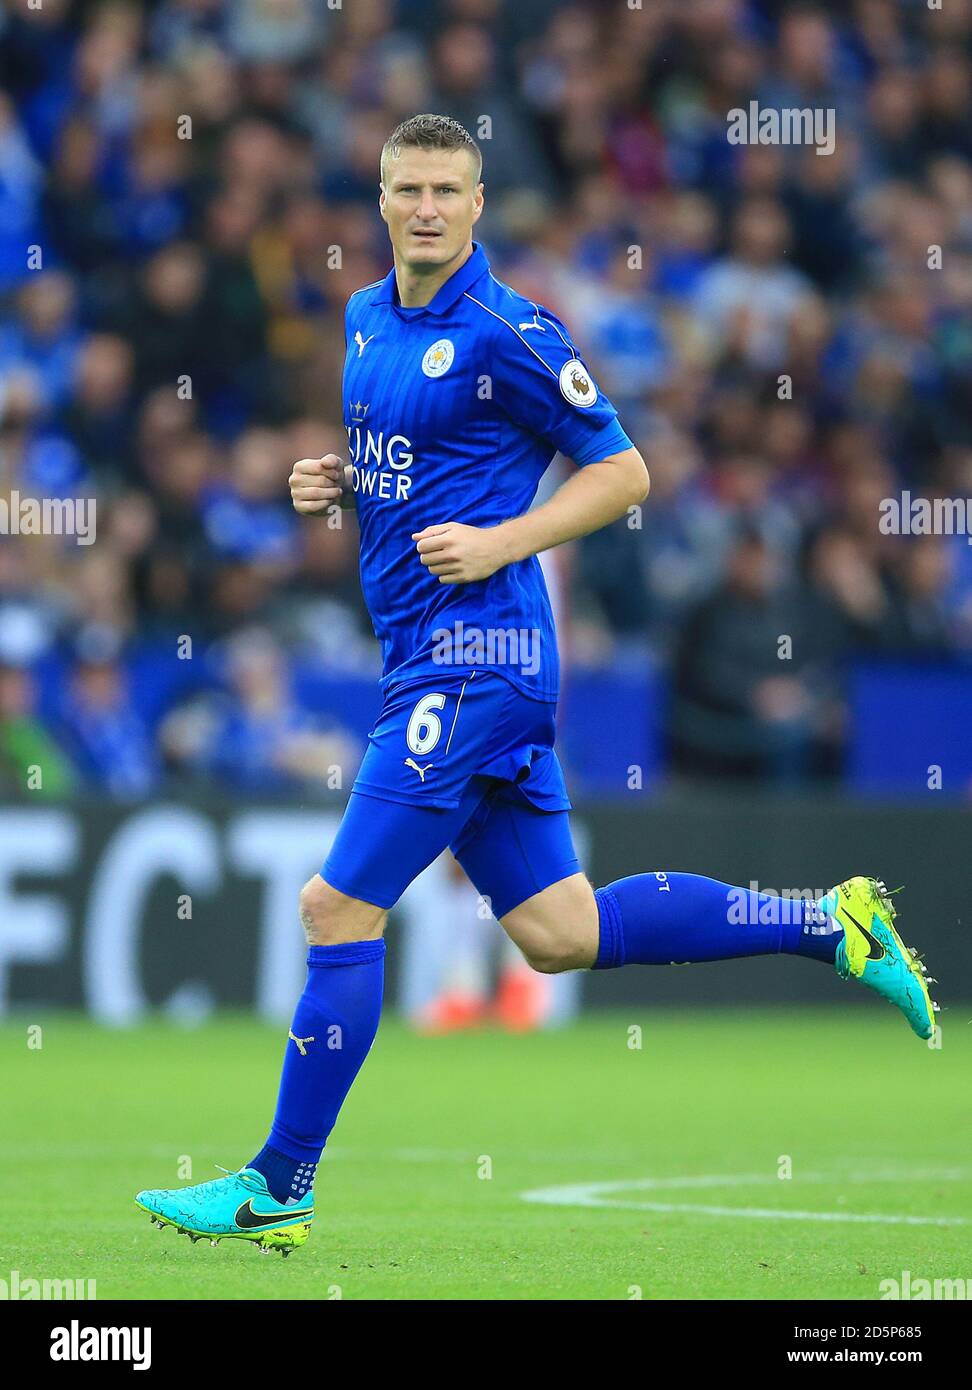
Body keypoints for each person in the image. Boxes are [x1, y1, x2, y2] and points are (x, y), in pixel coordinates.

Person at [135, 115, 939, 1255]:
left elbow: (626, 470)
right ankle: (828, 923)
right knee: (560, 932)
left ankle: (280, 1182)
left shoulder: (512, 331)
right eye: (405, 188)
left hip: (480, 664)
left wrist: (508, 541)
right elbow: (411, 469)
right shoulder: (367, 318)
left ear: (475, 206)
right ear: (379, 199)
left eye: (445, 191)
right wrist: (339, 483)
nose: (424, 207)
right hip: (425, 656)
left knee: (333, 905)